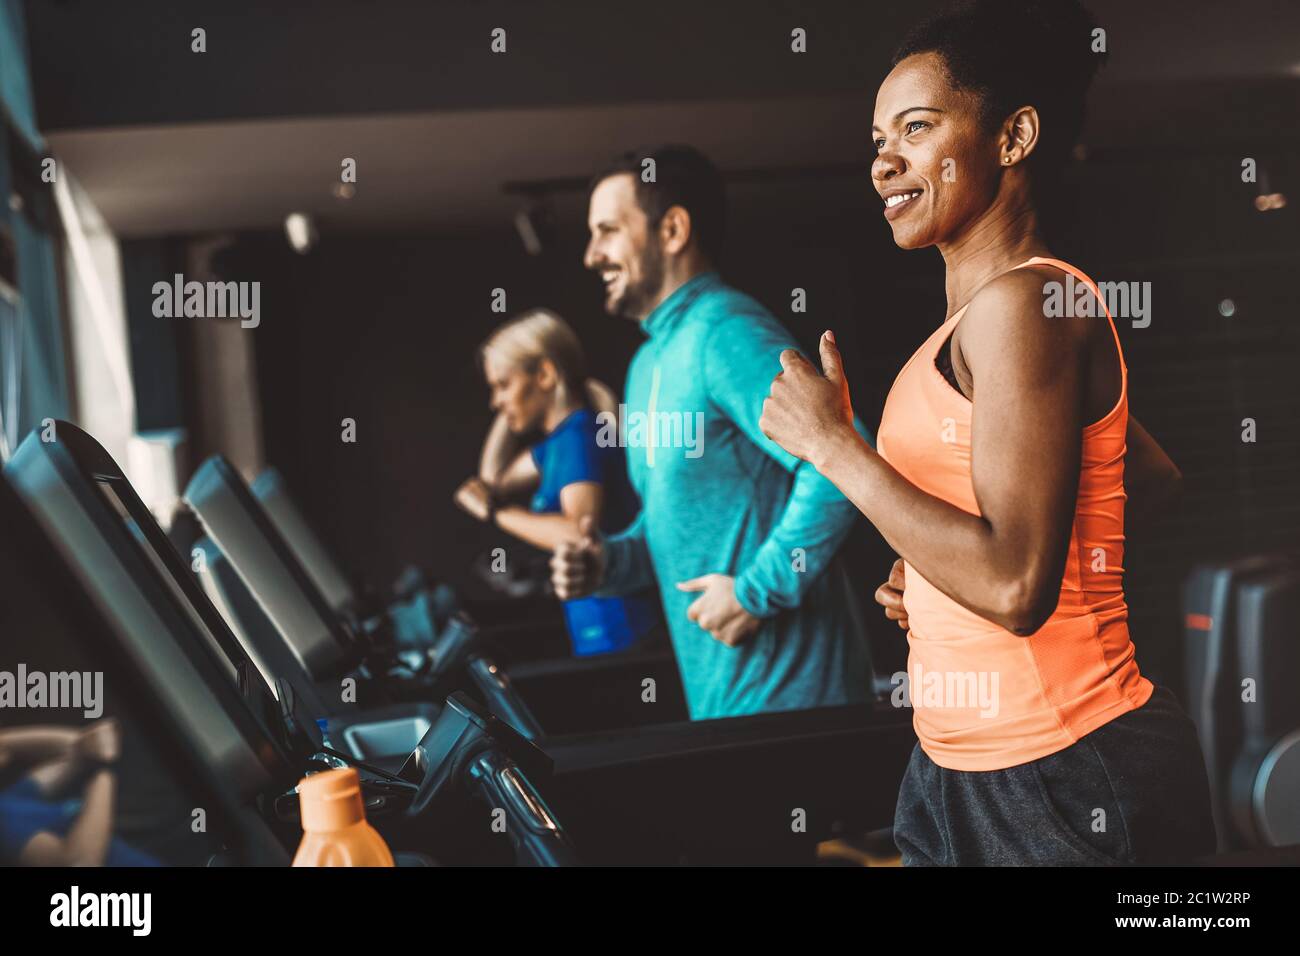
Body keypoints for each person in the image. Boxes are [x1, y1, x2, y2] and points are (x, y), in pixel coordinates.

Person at [758, 0, 1216, 864]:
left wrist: (834, 446)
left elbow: (1014, 585)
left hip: (1063, 768)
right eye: (877, 138)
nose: (884, 161)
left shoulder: (1023, 306)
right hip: (957, 768)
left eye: (917, 128)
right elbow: (1144, 478)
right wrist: (936, 576)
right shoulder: (985, 318)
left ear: (1013, 137)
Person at [550, 144, 872, 719]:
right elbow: (670, 523)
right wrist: (608, 564)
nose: (591, 255)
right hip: (721, 703)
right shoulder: (648, 362)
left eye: (607, 231)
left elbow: (843, 460)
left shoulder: (723, 330)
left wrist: (754, 593)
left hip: (797, 706)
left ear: (672, 229)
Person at [453, 309, 658, 654]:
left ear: (545, 374)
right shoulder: (557, 443)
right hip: (605, 626)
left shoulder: (576, 438)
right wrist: (508, 406)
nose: (495, 401)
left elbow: (579, 533)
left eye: (503, 385)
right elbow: (492, 480)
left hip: (623, 627)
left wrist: (496, 515)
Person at [0, 719, 158, 866]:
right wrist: (104, 772)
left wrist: (96, 744)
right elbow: (81, 863)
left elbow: (78, 747)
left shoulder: (14, 797)